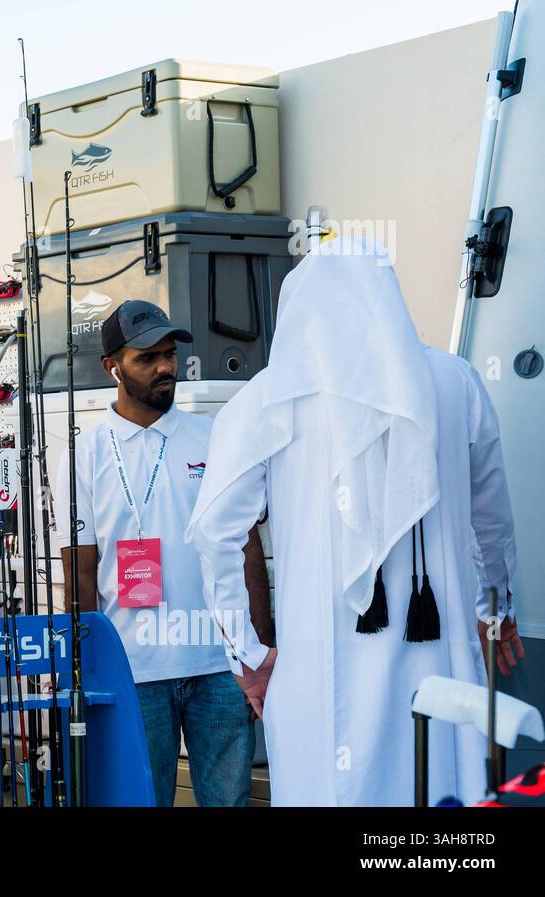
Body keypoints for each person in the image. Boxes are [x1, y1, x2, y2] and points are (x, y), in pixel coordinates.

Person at [186, 236, 522, 806]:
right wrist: (498, 611)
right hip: (441, 656)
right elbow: (490, 522)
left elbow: (216, 531)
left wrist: (246, 654)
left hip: (319, 675)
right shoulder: (456, 382)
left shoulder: (269, 398)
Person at [53, 299, 272, 807]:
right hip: (132, 668)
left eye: (170, 355)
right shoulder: (82, 455)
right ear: (113, 367)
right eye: (147, 357)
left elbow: (247, 547)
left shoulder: (214, 436)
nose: (165, 367)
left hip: (219, 664)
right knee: (140, 800)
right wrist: (85, 667)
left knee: (228, 801)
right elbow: (81, 574)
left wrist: (258, 649)